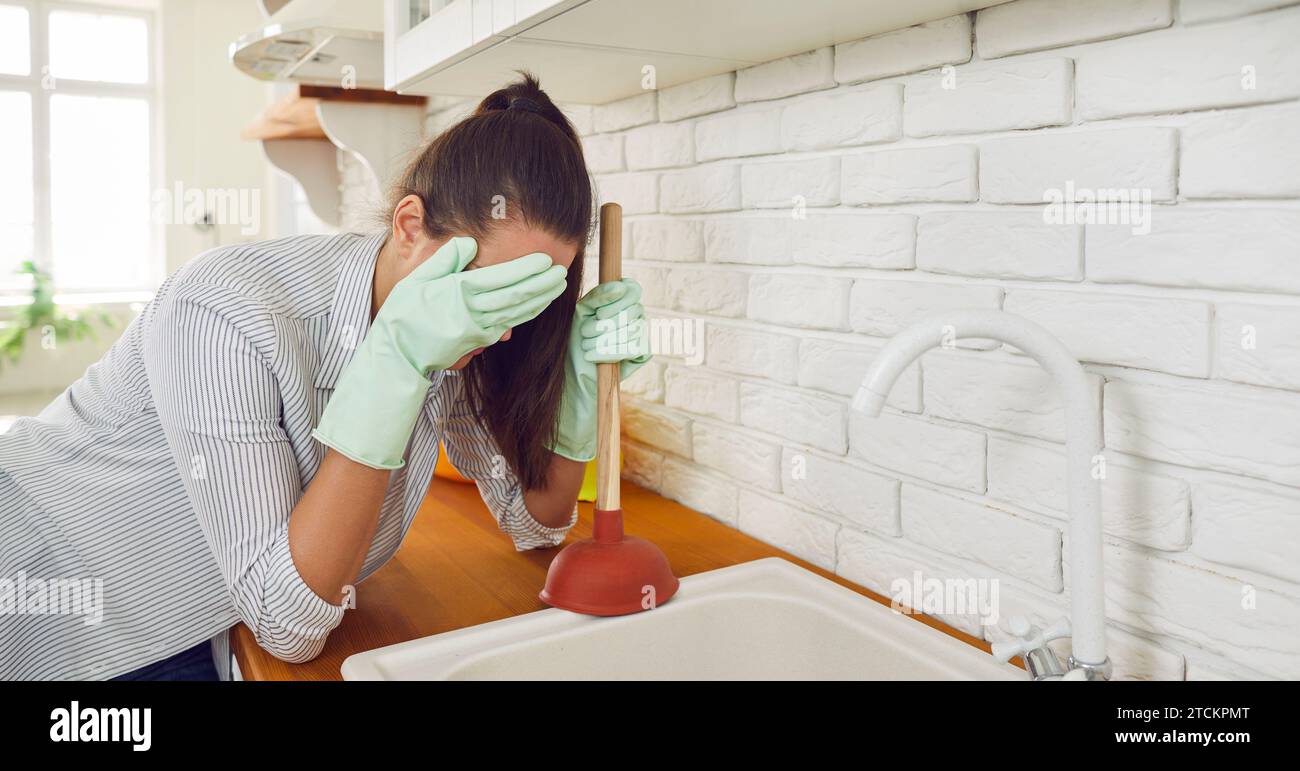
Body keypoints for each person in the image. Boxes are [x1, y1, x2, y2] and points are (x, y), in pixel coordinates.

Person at [0, 73, 649, 680]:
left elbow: (535, 522)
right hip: (62, 603)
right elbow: (287, 624)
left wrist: (578, 395)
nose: (498, 329)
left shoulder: (457, 330)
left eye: (525, 300)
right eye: (488, 292)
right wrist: (391, 365)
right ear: (409, 225)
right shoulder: (227, 308)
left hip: (211, 613)